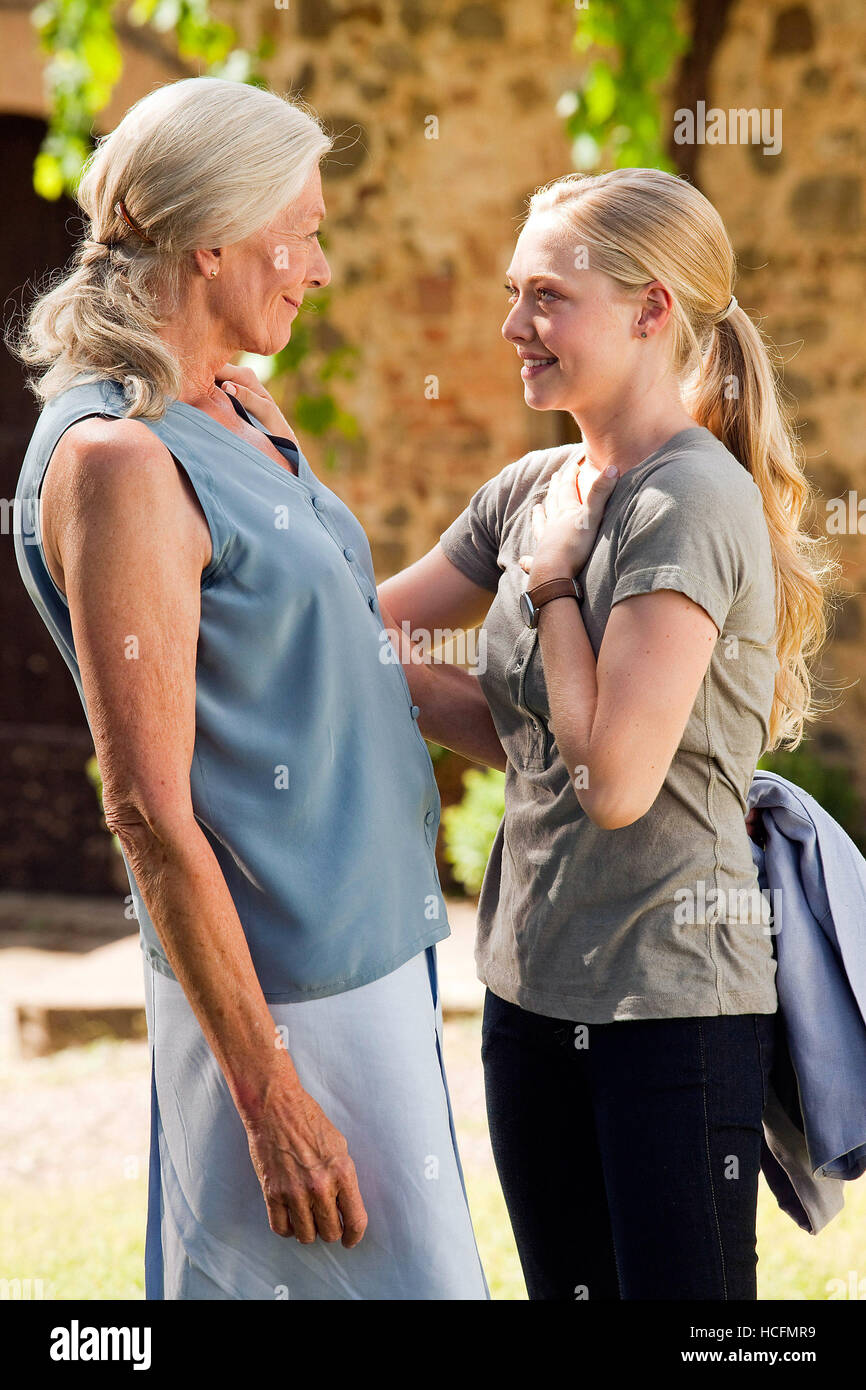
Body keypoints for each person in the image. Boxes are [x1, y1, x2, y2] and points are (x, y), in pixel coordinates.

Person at [11, 76, 496, 1301]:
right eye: (307, 229)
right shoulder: (122, 459)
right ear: (213, 237)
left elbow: (335, 649)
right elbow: (146, 807)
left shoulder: (234, 406)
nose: (320, 266)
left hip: (377, 960)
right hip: (288, 998)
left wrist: (560, 731)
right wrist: (270, 1089)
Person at [378, 168, 837, 1299]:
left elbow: (615, 780)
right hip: (530, 991)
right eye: (509, 291)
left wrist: (547, 590)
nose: (509, 326)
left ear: (650, 312)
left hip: (666, 1010)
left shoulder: (686, 498)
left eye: (546, 295)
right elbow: (377, 633)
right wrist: (257, 473)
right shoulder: (535, 486)